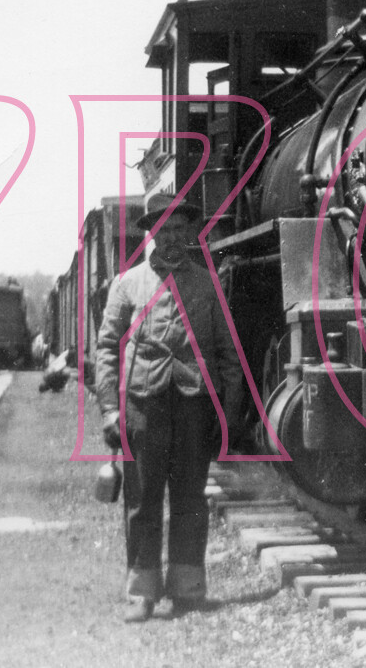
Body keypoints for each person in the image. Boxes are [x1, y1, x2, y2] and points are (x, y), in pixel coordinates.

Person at [95, 193, 247, 623]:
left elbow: (228, 354)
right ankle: (141, 590)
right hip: (144, 406)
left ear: (190, 233)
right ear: (152, 235)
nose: (174, 237)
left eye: (182, 229)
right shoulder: (128, 284)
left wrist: (227, 416)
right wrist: (110, 409)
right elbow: (107, 347)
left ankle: (187, 586)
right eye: (166, 230)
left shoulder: (207, 283)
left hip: (194, 405)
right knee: (142, 500)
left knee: (189, 498)